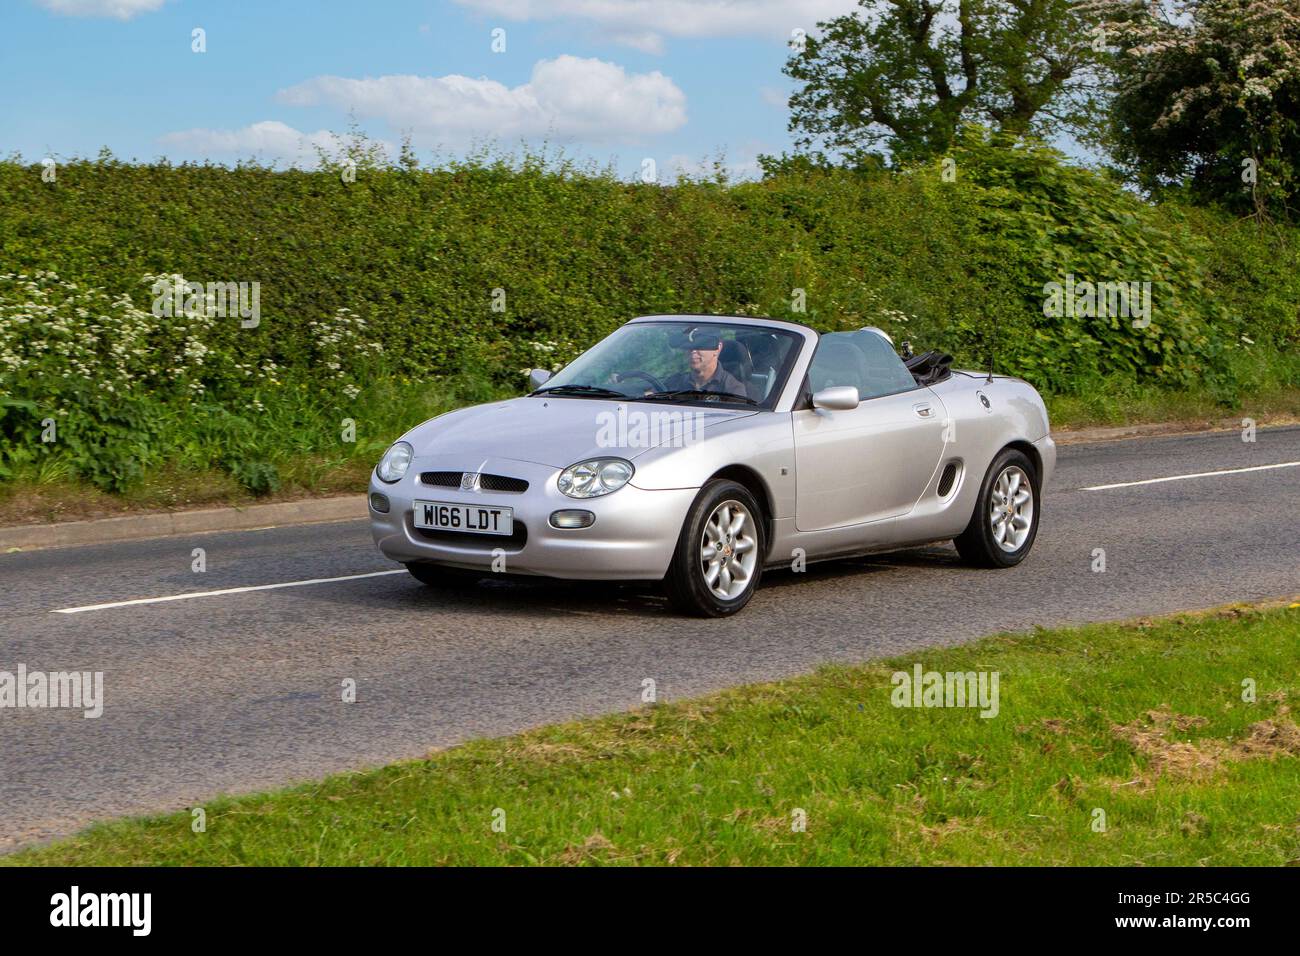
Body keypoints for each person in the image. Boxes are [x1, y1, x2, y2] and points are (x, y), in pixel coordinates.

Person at [661, 326, 746, 396]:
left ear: (718, 348)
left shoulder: (732, 389)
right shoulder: (673, 383)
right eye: (688, 346)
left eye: (700, 344)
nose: (693, 351)